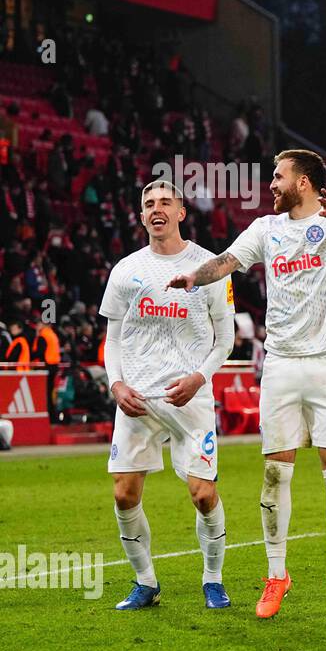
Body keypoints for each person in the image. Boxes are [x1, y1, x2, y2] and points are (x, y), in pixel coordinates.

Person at [169, 149, 326, 618]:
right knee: (276, 471)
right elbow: (225, 261)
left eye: (279, 177)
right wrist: (192, 278)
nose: (272, 185)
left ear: (303, 182)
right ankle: (277, 575)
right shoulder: (266, 228)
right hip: (280, 365)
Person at [101, 179, 234, 609]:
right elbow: (114, 339)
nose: (156, 209)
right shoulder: (125, 269)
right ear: (141, 216)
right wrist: (116, 384)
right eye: (148, 204)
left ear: (181, 212)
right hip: (136, 399)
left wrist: (199, 377)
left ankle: (213, 579)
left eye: (165, 203)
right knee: (124, 494)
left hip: (188, 397)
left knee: (203, 493)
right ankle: (145, 582)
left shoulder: (210, 266)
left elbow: (225, 340)